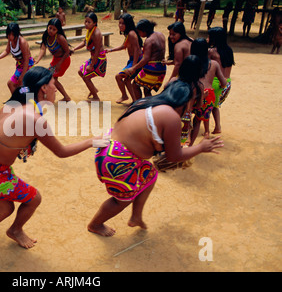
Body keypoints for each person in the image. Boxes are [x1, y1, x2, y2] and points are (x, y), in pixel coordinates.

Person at [0, 66, 108, 253]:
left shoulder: (13, 104)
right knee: (33, 198)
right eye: (53, 84)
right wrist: (92, 141)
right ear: (43, 89)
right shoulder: (35, 118)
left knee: (5, 209)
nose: (56, 88)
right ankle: (15, 230)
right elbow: (62, 152)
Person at [89, 56, 224, 236]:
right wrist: (200, 147)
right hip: (116, 160)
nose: (191, 109)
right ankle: (95, 224)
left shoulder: (150, 103)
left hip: (108, 149)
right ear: (185, 101)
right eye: (191, 103)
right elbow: (174, 156)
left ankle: (136, 217)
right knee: (121, 199)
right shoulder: (172, 117)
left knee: (149, 174)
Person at [189, 38, 227, 144]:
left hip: (192, 92)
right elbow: (223, 82)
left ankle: (185, 140)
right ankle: (191, 144)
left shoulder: (190, 61)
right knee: (197, 121)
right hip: (208, 95)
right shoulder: (214, 64)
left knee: (186, 117)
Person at [123, 19, 167, 102]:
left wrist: (133, 68)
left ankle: (139, 106)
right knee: (147, 89)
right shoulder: (161, 35)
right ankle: (147, 107)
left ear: (144, 31)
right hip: (162, 67)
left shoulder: (149, 40)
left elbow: (146, 59)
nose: (139, 34)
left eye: (139, 32)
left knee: (135, 85)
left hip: (152, 68)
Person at [106, 13, 143, 104]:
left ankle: (126, 97)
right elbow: (124, 46)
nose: (120, 25)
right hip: (132, 60)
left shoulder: (131, 34)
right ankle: (133, 99)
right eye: (119, 23)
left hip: (136, 60)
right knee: (127, 80)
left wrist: (134, 66)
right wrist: (110, 50)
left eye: (123, 23)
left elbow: (137, 49)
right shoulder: (128, 34)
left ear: (128, 24)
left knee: (118, 77)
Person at [35, 18, 72, 101]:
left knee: (51, 78)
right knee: (51, 78)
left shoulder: (60, 38)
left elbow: (67, 52)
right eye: (50, 28)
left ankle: (65, 97)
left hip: (64, 60)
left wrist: (59, 64)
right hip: (55, 60)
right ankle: (60, 96)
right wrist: (38, 59)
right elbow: (43, 49)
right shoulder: (46, 36)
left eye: (54, 29)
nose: (51, 31)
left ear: (57, 30)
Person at [73, 12, 107, 101]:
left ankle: (96, 97)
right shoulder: (90, 31)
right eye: (85, 22)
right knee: (81, 72)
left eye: (89, 22)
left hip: (99, 59)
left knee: (86, 77)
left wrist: (91, 65)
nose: (86, 24)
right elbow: (85, 42)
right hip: (94, 58)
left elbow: (97, 51)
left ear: (94, 23)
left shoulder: (96, 33)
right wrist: (74, 49)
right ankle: (93, 89)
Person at [207, 27, 235, 134]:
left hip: (216, 82)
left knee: (207, 106)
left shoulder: (212, 52)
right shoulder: (229, 50)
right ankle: (217, 127)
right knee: (214, 106)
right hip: (227, 83)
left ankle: (207, 130)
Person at [0, 23, 35, 93]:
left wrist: (23, 74)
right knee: (11, 84)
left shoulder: (22, 42)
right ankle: (19, 100)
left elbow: (26, 59)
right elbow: (7, 51)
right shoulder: (10, 40)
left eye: (12, 35)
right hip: (19, 65)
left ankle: (28, 101)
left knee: (24, 85)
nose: (10, 37)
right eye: (9, 34)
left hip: (27, 65)